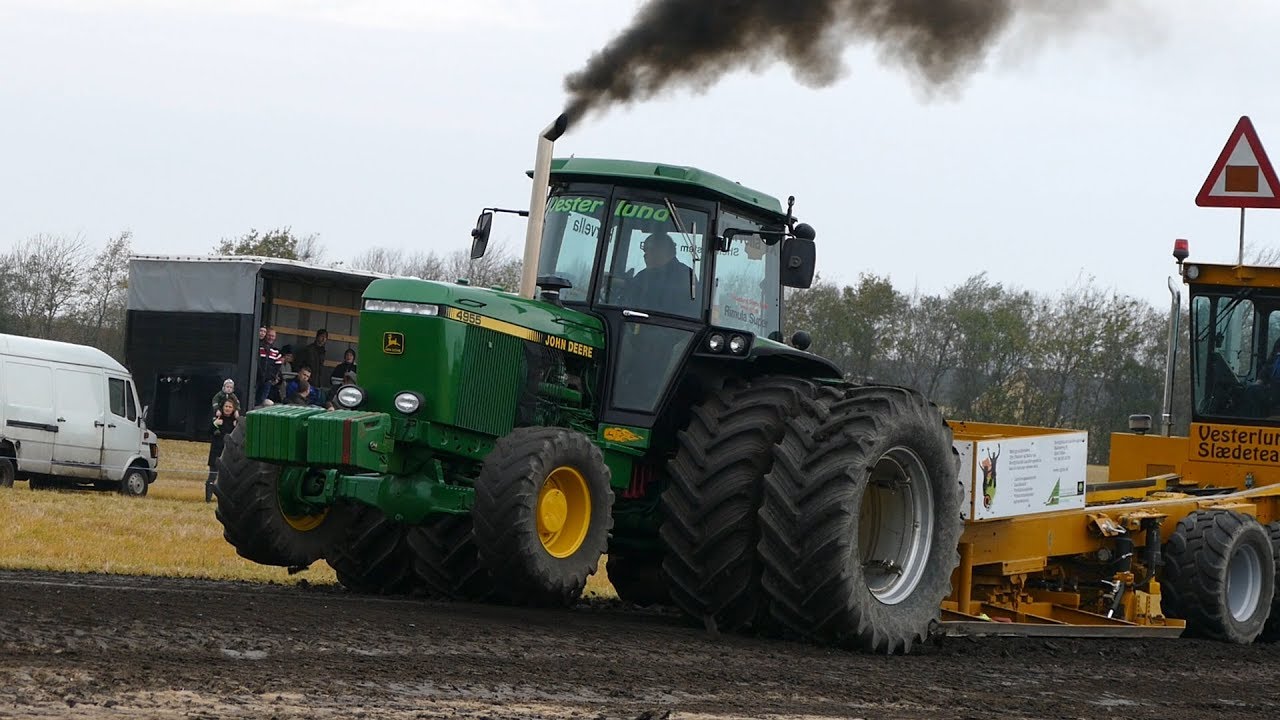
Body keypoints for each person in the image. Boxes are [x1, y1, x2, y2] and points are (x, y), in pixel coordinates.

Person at [626, 232, 697, 316]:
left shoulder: (685, 276)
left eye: (649, 250)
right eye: (644, 251)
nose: (645, 255)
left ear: (663, 250)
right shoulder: (642, 275)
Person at [207, 399, 239, 502]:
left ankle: (225, 499)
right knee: (212, 476)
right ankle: (208, 498)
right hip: (216, 453)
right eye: (226, 406)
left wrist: (236, 426)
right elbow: (208, 433)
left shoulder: (236, 423)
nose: (228, 409)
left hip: (228, 454)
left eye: (230, 407)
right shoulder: (216, 419)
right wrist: (214, 424)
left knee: (228, 479)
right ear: (222, 407)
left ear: (233, 409)